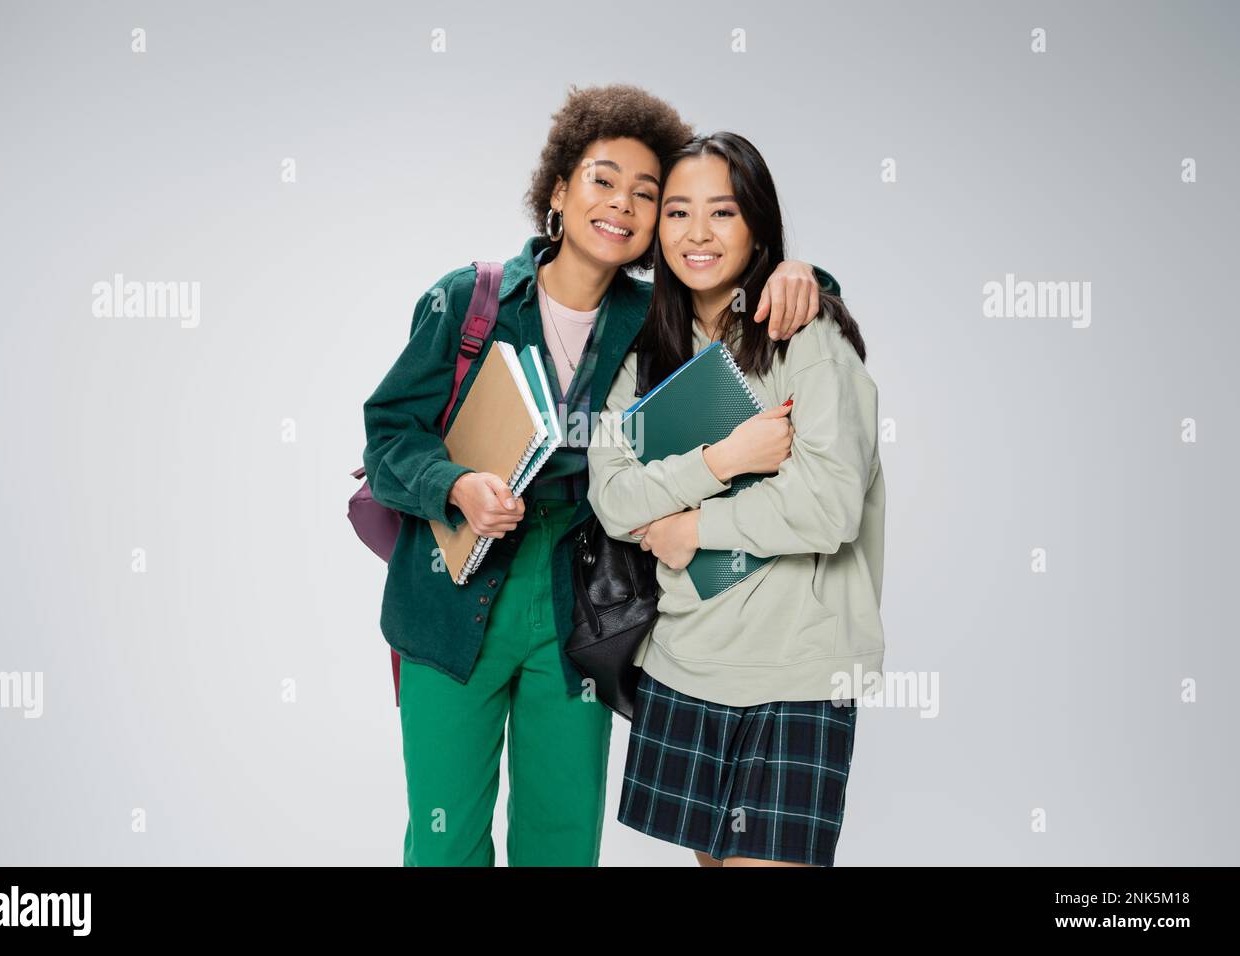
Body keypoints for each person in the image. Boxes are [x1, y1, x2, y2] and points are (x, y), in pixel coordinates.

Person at [362, 88, 842, 867]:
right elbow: (388, 435)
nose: (623, 204)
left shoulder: (659, 320)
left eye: (647, 194)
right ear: (557, 191)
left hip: (582, 597)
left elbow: (750, 295)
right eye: (603, 180)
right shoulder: (468, 300)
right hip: (451, 593)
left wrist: (802, 274)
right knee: (444, 844)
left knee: (562, 840)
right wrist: (454, 486)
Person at [586, 131, 884, 867]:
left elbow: (829, 507)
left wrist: (695, 527)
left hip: (799, 672)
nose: (697, 234)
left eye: (721, 212)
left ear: (757, 225)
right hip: (687, 661)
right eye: (678, 212)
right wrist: (724, 459)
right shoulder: (648, 353)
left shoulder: (807, 337)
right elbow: (615, 498)